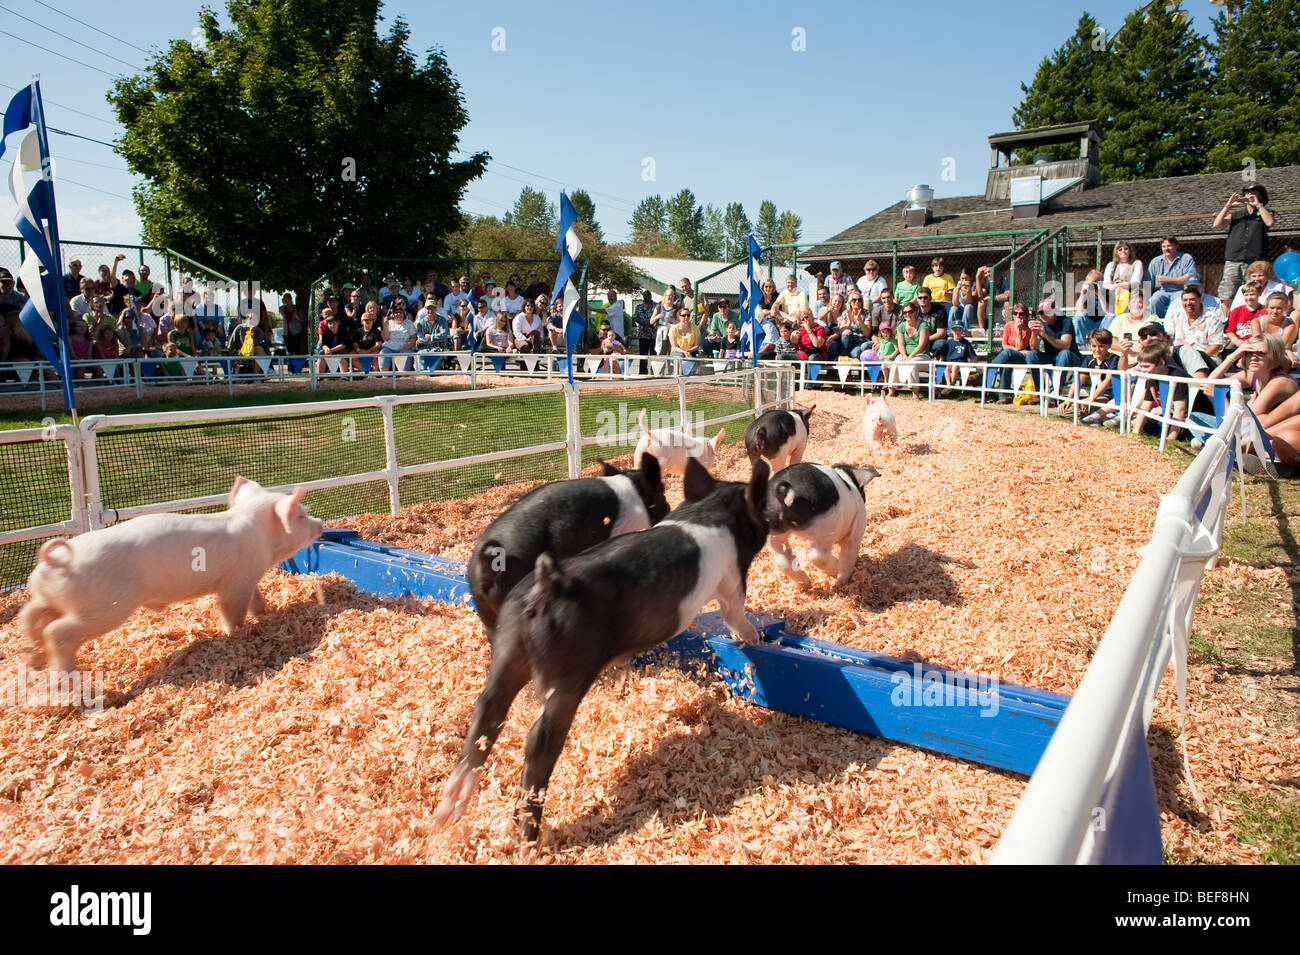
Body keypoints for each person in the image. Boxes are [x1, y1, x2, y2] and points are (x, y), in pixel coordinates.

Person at [1208, 333, 1296, 417]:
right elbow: (1209, 384)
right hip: (1255, 428)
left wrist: (1220, 397)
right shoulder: (1252, 375)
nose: (1254, 357)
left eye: (1261, 353)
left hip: (1275, 430)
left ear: (1275, 356)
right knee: (1196, 417)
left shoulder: (1279, 383)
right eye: (1249, 353)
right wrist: (1234, 355)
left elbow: (1246, 423)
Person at [1214, 185, 1274, 305]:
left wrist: (1258, 205)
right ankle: (1227, 321)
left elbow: (1270, 222)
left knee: (1254, 292)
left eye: (1253, 192)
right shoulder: (1237, 214)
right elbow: (1217, 224)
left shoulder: (1264, 212)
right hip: (1233, 259)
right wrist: (1228, 205)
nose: (1250, 195)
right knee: (1227, 294)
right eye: (1247, 193)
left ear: (1260, 196)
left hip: (1254, 261)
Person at [1166, 287, 1226, 377]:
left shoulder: (1212, 318)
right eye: (1185, 300)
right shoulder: (1176, 315)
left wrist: (1194, 358)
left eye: (1192, 300)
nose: (1188, 303)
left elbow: (1216, 345)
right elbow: (1167, 336)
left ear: (1199, 300)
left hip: (1206, 359)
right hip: (1179, 358)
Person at [991, 303, 1038, 403]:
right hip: (1016, 354)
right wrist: (1016, 349)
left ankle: (984, 373)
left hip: (1025, 358)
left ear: (1026, 316)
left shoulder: (1028, 328)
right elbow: (1004, 344)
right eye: (1015, 313)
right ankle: (1004, 396)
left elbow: (1021, 346)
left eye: (1021, 314)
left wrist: (1019, 330)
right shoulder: (1008, 325)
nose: (1018, 316)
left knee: (1007, 353)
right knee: (1006, 361)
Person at [1080, 329, 1128, 425]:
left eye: (1101, 346)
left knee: (1085, 407)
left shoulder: (1113, 359)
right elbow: (1079, 379)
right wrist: (1068, 399)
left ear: (1109, 346)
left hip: (1107, 396)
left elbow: (1108, 380)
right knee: (1073, 406)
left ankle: (1102, 416)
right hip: (1093, 395)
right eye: (1094, 346)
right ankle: (1102, 416)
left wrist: (1092, 398)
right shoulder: (1089, 359)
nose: (1097, 350)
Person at [1147, 236, 1200, 318]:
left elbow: (1190, 278)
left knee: (1179, 300)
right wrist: (1144, 300)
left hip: (1180, 291)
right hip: (1162, 291)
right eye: (1164, 246)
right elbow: (1148, 283)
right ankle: (1156, 323)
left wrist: (1167, 279)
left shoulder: (1186, 258)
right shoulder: (1155, 261)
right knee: (1154, 300)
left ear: (1176, 246)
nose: (1166, 249)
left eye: (1169, 246)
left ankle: (1176, 324)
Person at [890, 302, 929, 398]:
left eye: (910, 311)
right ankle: (891, 390)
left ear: (915, 312)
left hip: (922, 355)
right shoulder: (901, 327)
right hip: (906, 354)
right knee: (896, 361)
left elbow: (921, 345)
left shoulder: (923, 325)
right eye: (905, 312)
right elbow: (901, 344)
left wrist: (910, 357)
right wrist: (904, 355)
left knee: (912, 363)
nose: (907, 314)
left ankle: (915, 393)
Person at [1101, 242, 1144, 316]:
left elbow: (1135, 282)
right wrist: (1113, 288)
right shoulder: (1111, 265)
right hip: (1114, 293)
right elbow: (1105, 283)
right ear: (1116, 252)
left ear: (1130, 250)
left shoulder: (1137, 263)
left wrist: (1118, 286)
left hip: (1131, 292)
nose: (1123, 251)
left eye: (1126, 249)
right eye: (1120, 249)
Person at [1073, 269, 1108, 343]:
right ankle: (1081, 346)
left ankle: (1107, 345)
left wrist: (1100, 294)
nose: (1093, 286)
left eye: (1095, 283)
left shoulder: (1107, 292)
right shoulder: (1086, 293)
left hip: (1103, 324)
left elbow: (1107, 311)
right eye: (1090, 283)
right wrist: (1083, 293)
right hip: (1089, 323)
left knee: (1111, 316)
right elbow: (1079, 310)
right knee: (1078, 316)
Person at [378, 305, 417, 370]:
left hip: (405, 348)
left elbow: (413, 338)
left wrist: (403, 350)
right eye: (396, 312)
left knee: (405, 358)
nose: (398, 314)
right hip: (389, 347)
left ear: (403, 314)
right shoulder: (389, 323)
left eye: (400, 312)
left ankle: (403, 377)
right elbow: (386, 338)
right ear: (393, 314)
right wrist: (385, 325)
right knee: (383, 353)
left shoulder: (409, 323)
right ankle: (385, 377)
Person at [1226, 282, 1265, 347]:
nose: (1249, 297)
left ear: (1259, 294)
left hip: (1258, 343)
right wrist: (1236, 341)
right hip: (1239, 343)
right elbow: (1229, 331)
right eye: (1246, 295)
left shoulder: (1264, 311)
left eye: (1252, 294)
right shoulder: (1236, 311)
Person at [914, 288, 948, 356]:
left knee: (941, 344)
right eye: (920, 298)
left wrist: (924, 340)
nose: (922, 300)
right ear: (917, 299)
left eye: (925, 297)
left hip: (934, 341)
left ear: (930, 298)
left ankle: (936, 358)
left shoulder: (940, 311)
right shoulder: (914, 312)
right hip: (918, 340)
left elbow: (941, 334)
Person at [632, 290, 657, 356]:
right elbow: (635, 317)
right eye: (645, 295)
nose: (646, 296)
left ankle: (653, 367)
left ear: (651, 296)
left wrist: (649, 324)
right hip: (642, 334)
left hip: (653, 335)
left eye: (648, 295)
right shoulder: (639, 307)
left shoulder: (656, 306)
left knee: (653, 355)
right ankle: (643, 367)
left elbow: (658, 317)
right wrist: (644, 323)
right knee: (643, 356)